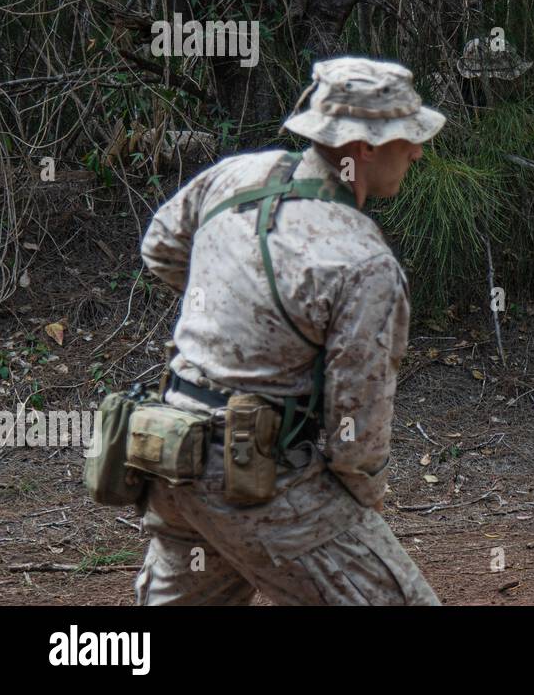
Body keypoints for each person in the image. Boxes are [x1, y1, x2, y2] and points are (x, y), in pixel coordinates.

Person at [133, 55, 445, 605]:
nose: (418, 151)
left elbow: (160, 247)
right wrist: (359, 508)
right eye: (407, 137)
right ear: (364, 147)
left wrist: (239, 309)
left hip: (166, 455)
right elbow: (355, 436)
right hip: (258, 482)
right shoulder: (363, 261)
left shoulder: (234, 176)